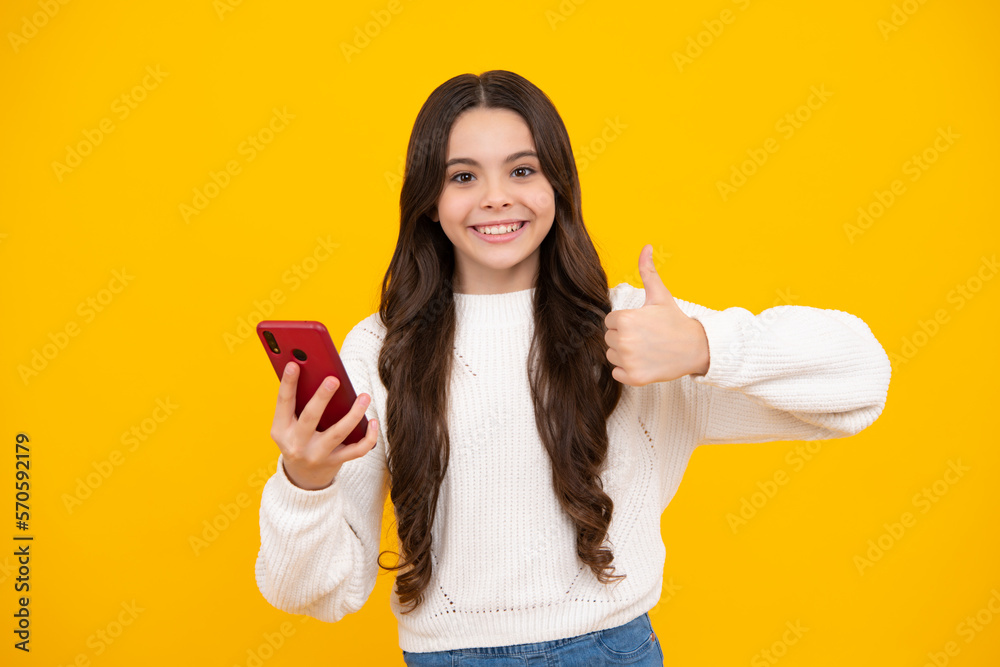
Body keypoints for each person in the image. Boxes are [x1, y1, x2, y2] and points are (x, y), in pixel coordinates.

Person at [254, 70, 892, 666]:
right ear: (428, 200)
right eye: (463, 177)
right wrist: (305, 482)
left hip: (610, 649)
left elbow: (862, 382)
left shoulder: (635, 329)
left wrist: (705, 345)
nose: (497, 198)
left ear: (557, 184)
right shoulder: (380, 349)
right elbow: (316, 594)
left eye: (522, 169)